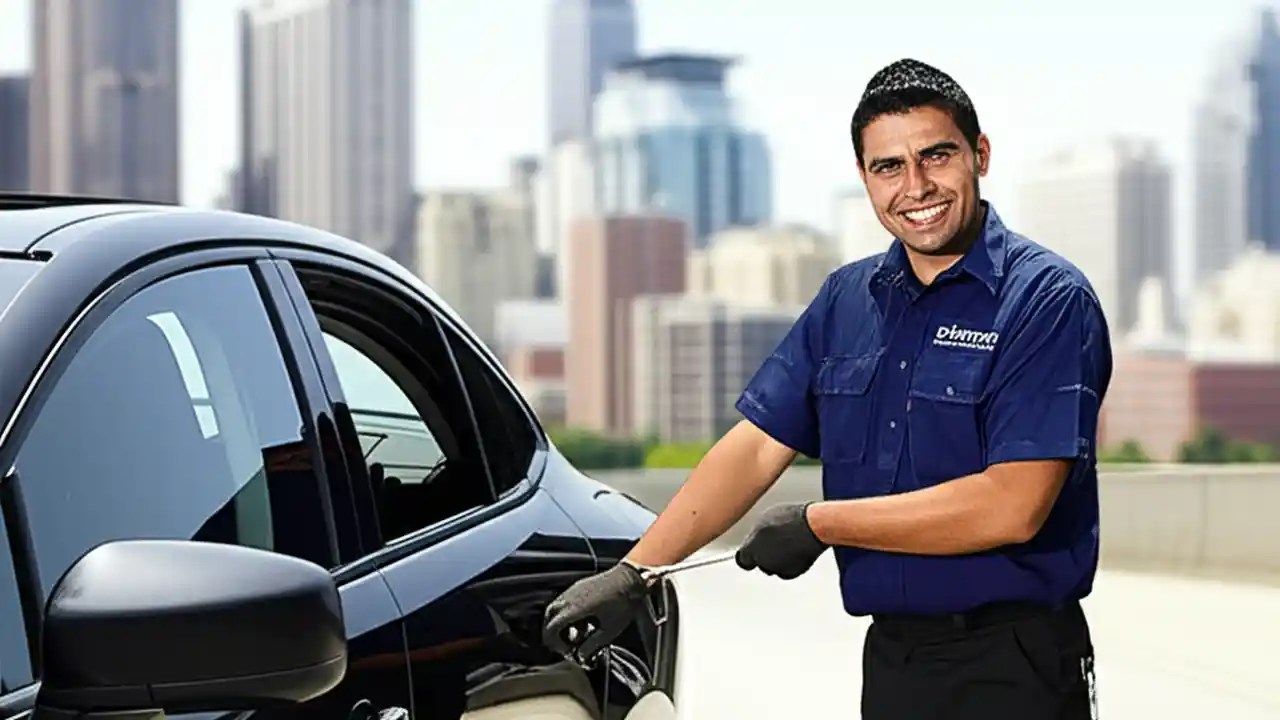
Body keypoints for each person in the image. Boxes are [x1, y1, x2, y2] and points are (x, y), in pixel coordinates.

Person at [543, 57, 1110, 719]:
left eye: (937, 155)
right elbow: (757, 446)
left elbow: (1012, 504)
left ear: (979, 155)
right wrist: (634, 573)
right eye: (888, 167)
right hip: (894, 662)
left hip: (1017, 666)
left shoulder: (1046, 299)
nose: (917, 186)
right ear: (864, 178)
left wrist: (822, 524)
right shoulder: (847, 299)